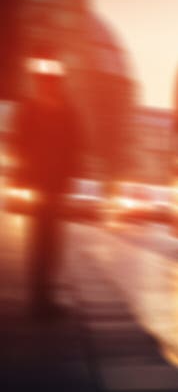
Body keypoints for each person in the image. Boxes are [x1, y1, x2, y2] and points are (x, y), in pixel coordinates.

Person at [13, 51, 82, 319]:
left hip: (56, 185)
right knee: (39, 242)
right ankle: (39, 298)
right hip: (40, 185)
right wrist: (24, 176)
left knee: (52, 243)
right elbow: (20, 144)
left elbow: (74, 145)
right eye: (44, 81)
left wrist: (69, 178)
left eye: (51, 81)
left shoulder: (66, 110)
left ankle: (46, 295)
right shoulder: (31, 109)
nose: (47, 85)